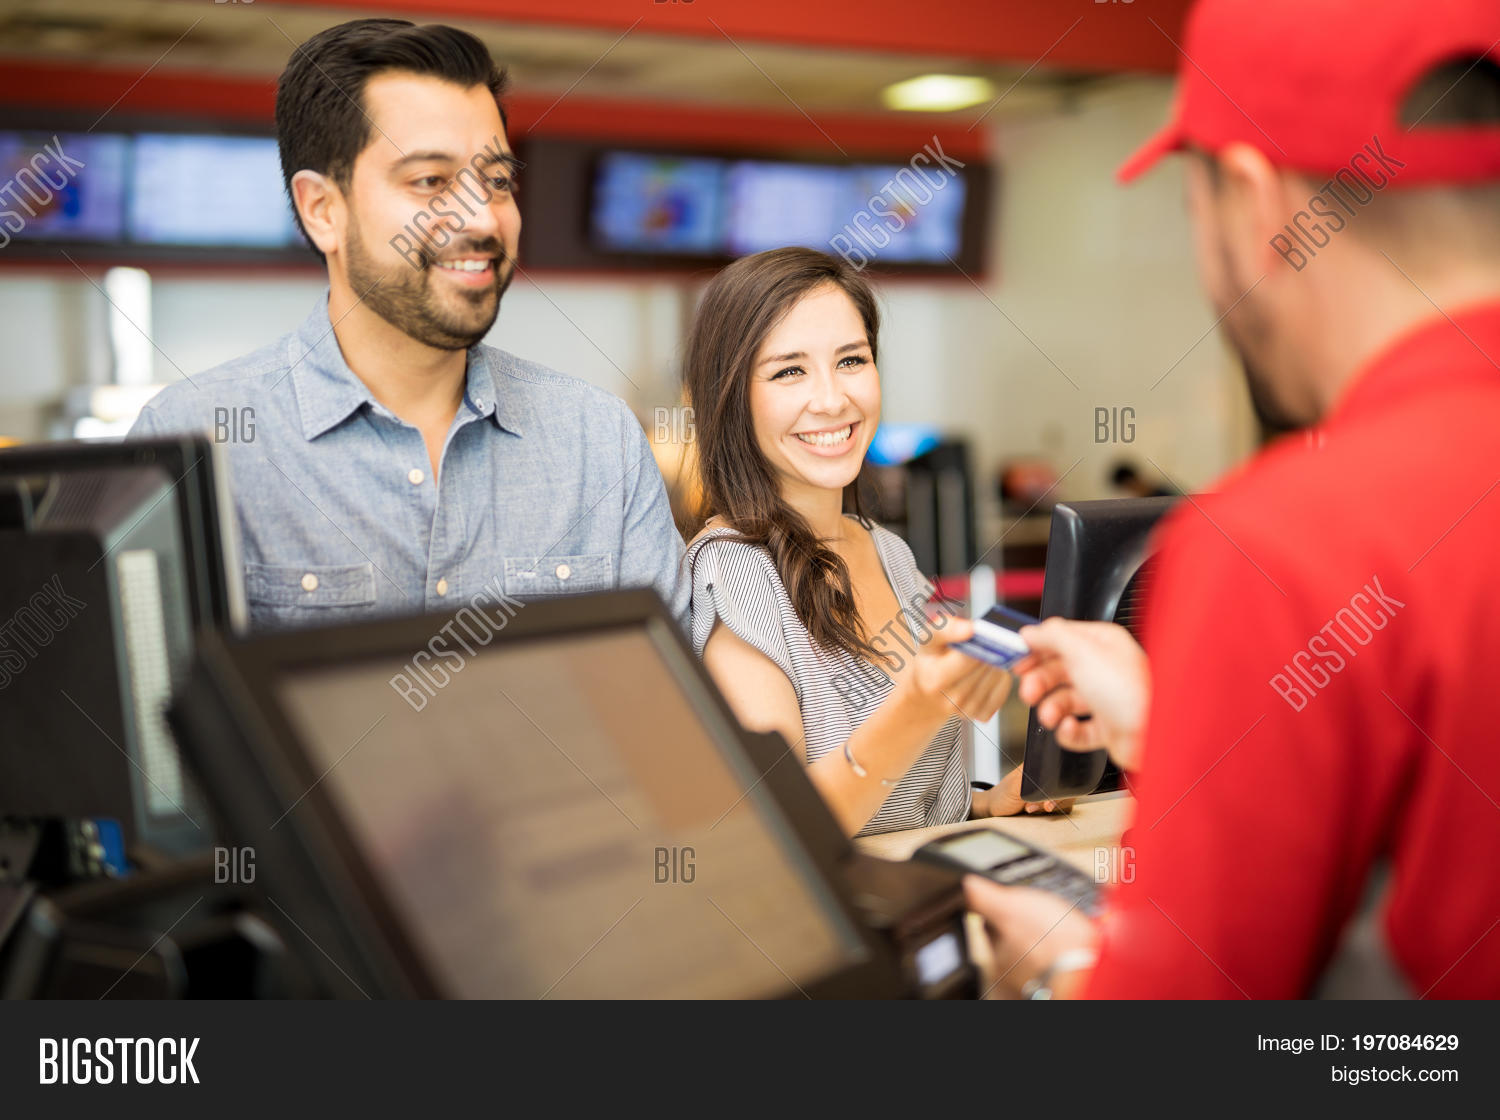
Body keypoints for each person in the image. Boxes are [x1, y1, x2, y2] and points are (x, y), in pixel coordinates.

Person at [965, 0, 1500, 998]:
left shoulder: (1286, 543)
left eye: (1192, 207)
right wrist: (1180, 735)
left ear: (1257, 203)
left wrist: (1061, 969)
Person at [129, 19, 687, 632]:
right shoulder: (193, 438)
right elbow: (140, 712)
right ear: (323, 210)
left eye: (497, 181)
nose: (481, 218)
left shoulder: (598, 442)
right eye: (430, 181)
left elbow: (667, 708)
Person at [682, 247, 1062, 837]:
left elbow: (908, 803)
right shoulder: (732, 572)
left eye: (851, 361)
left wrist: (984, 803)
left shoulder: (888, 550)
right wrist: (919, 705)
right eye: (789, 371)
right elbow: (784, 829)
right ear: (732, 398)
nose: (833, 399)